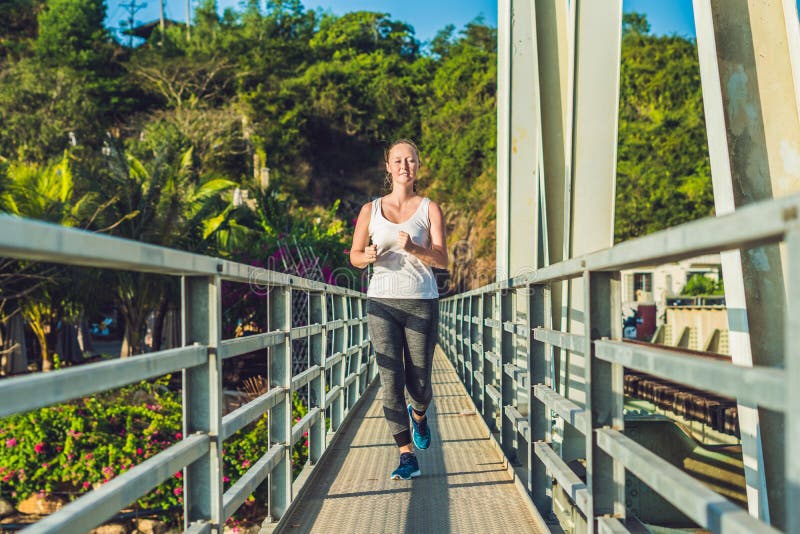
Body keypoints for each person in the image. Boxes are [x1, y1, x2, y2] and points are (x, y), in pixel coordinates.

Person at [349, 139, 448, 480]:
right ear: (388, 167)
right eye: (398, 160)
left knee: (418, 382)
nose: (405, 165)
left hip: (421, 302)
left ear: (418, 166)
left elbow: (442, 260)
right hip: (382, 303)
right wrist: (369, 257)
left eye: (411, 160)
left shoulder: (429, 209)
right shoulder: (370, 210)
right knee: (391, 380)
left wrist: (416, 248)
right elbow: (355, 256)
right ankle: (406, 455)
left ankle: (419, 414)